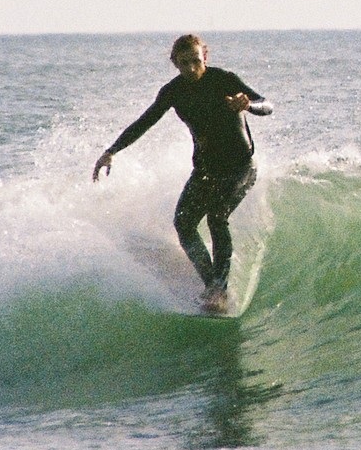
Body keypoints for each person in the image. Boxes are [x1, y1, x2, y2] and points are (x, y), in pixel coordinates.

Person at [93, 34, 272, 307]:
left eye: (196, 61)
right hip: (205, 169)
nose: (190, 69)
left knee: (216, 216)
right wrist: (112, 151)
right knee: (184, 224)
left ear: (205, 58)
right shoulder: (173, 91)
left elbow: (267, 105)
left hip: (240, 167)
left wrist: (249, 104)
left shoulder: (224, 79)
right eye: (184, 63)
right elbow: (145, 122)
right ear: (174, 62)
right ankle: (213, 283)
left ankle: (219, 289)